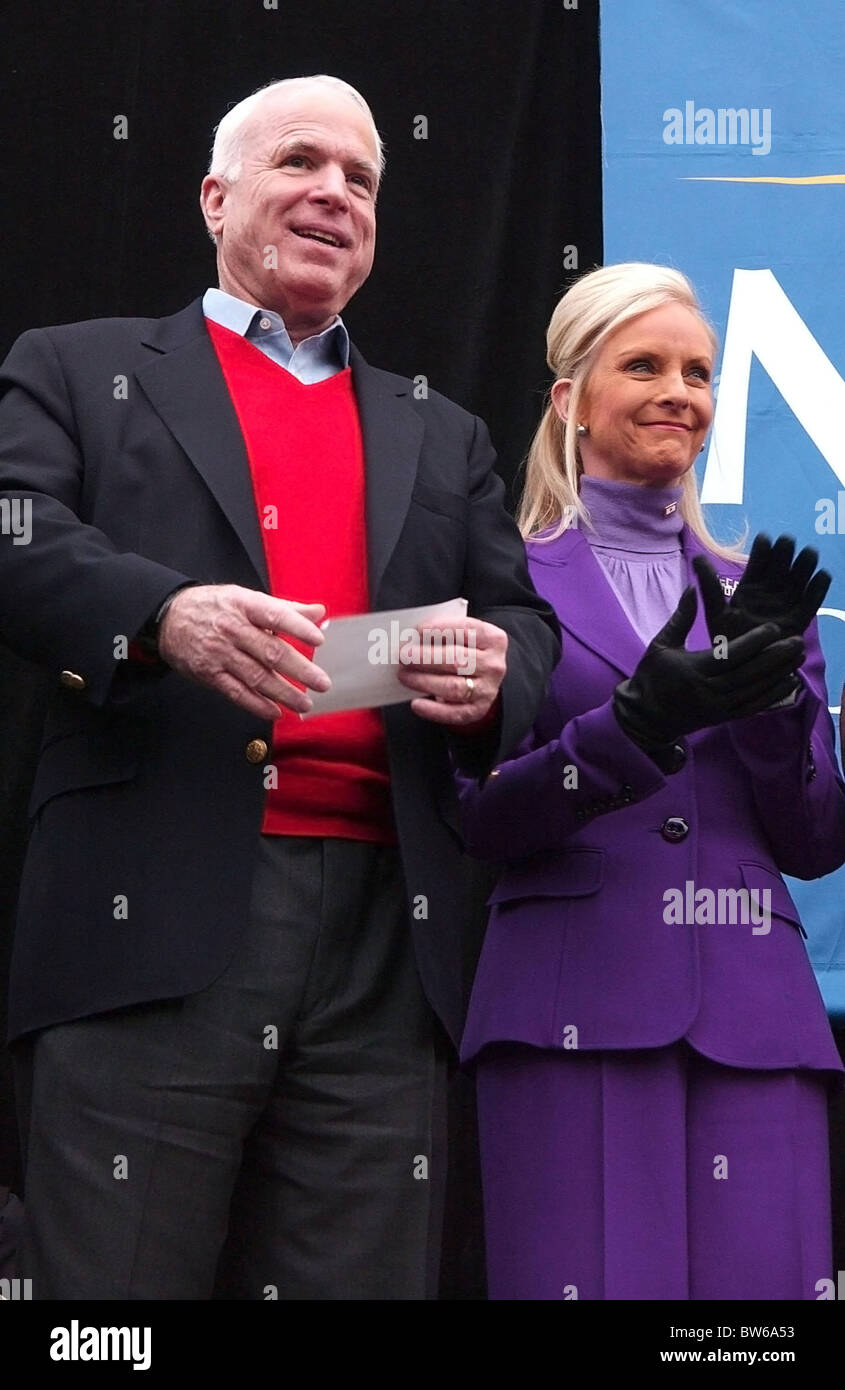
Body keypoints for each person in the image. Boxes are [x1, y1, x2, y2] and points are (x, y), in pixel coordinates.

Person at [0, 75, 560, 1300]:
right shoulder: (78, 364)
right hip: (151, 915)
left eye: (361, 179)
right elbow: (12, 526)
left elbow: (523, 620)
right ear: (215, 197)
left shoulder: (442, 428)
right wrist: (159, 614)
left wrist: (499, 672)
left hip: (386, 938)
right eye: (300, 161)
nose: (334, 193)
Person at [455, 262, 845, 1301]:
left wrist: (765, 702)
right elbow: (474, 816)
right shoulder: (500, 581)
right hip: (565, 1012)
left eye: (698, 371)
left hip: (754, 1022)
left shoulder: (763, 598)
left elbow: (810, 839)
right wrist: (632, 728)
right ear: (568, 398)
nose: (679, 390)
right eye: (643, 364)